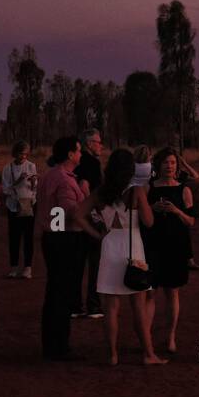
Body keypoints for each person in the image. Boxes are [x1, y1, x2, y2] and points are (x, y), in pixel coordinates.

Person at [74, 149, 164, 366]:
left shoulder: (99, 192)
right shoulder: (136, 192)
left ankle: (112, 355)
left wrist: (97, 233)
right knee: (138, 305)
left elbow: (77, 214)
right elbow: (149, 222)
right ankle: (148, 354)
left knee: (110, 307)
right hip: (132, 247)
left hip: (109, 246)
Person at [36, 137, 86, 361]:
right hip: (64, 239)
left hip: (53, 238)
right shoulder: (64, 180)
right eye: (78, 150)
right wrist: (88, 198)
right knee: (62, 293)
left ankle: (53, 343)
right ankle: (58, 346)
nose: (81, 154)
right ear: (70, 154)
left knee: (55, 291)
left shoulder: (50, 175)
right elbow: (73, 211)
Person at [146, 146, 193, 356]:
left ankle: (170, 336)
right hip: (153, 245)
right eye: (166, 162)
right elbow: (140, 216)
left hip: (176, 245)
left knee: (172, 292)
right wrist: (152, 209)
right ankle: (146, 338)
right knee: (150, 293)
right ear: (158, 165)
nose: (170, 166)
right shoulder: (150, 188)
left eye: (173, 162)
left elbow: (191, 221)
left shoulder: (184, 190)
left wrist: (176, 210)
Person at [74, 127, 105, 319]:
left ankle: (75, 305)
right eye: (98, 141)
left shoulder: (75, 162)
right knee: (95, 263)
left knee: (77, 263)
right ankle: (93, 305)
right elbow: (85, 187)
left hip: (76, 219)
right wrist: (94, 211)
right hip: (91, 218)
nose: (101, 145)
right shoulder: (92, 163)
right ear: (89, 143)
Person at [1, 140, 38, 278]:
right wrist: (18, 181)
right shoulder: (7, 168)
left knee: (28, 237)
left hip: (29, 204)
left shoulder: (31, 166)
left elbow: (34, 189)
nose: (24, 157)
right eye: (21, 154)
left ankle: (28, 268)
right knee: (14, 237)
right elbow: (6, 189)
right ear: (15, 153)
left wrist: (33, 182)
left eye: (26, 154)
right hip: (13, 206)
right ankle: (14, 267)